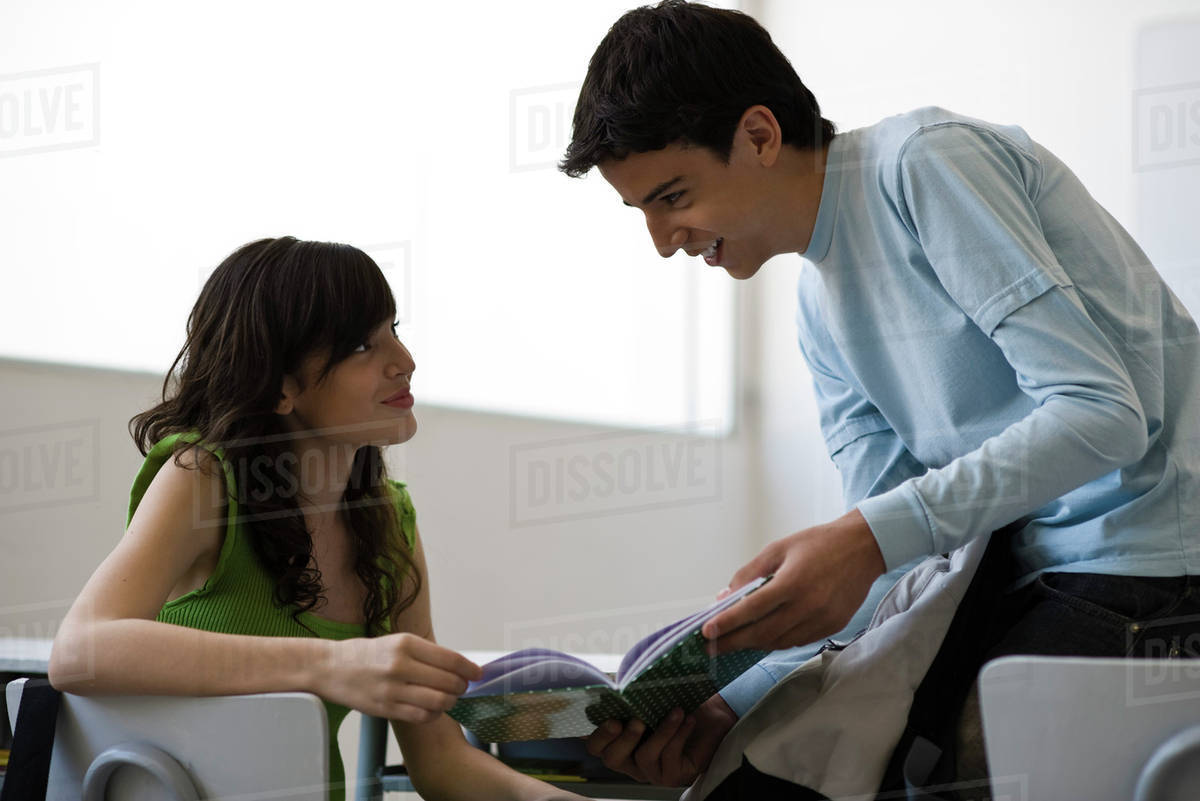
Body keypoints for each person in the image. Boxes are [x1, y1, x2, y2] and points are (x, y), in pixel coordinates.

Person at [560, 0, 1200, 794]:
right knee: (773, 748)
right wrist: (731, 701)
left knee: (932, 757)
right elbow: (901, 557)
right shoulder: (819, 312)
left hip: (1155, 562)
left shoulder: (924, 163)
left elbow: (1104, 415)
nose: (664, 241)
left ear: (759, 135)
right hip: (1026, 577)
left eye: (672, 196)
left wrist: (864, 538)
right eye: (643, 212)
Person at [48, 237, 584, 801]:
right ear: (281, 384)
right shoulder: (204, 477)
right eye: (361, 345)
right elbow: (81, 650)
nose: (404, 362)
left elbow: (443, 763)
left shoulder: (389, 520)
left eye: (394, 330)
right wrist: (330, 664)